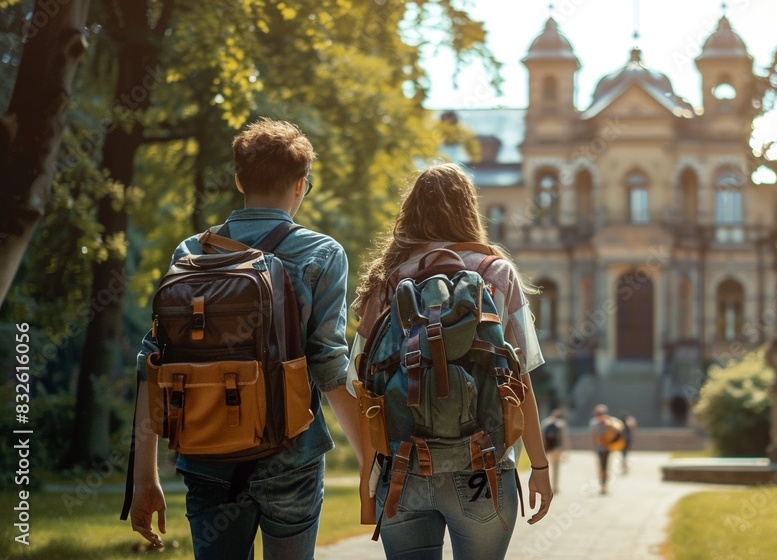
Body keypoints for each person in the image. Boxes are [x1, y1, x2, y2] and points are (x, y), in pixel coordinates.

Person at [128, 118, 363, 559]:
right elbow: (329, 366)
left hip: (206, 454)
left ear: (239, 180)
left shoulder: (191, 253)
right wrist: (370, 457)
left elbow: (151, 363)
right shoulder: (322, 253)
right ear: (300, 184)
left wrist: (146, 480)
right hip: (291, 457)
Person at [348, 162, 553, 559]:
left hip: (404, 467)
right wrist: (540, 468)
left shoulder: (388, 278)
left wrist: (369, 471)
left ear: (411, 213)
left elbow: (361, 381)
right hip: (485, 468)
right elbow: (519, 379)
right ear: (469, 210)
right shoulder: (497, 273)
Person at [541, 408, 571, 494]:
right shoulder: (561, 423)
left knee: (546, 468)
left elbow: (542, 436)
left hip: (548, 448)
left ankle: (545, 486)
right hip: (557, 449)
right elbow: (565, 438)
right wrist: (566, 450)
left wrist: (543, 449)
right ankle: (555, 486)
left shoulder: (546, 422)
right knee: (556, 468)